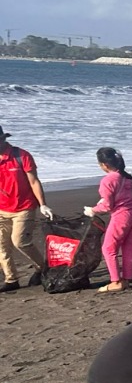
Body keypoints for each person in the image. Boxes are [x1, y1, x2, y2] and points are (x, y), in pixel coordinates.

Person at [0, 123, 53, 292]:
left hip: (24, 207)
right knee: (1, 245)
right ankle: (11, 279)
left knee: (20, 242)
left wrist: (43, 204)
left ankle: (42, 268)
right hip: (2, 208)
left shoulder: (21, 155)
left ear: (3, 139)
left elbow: (34, 181)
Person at [86, 146, 132, 293]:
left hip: (121, 216)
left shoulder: (108, 180)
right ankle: (128, 277)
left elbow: (107, 206)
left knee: (108, 248)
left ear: (104, 165)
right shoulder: (125, 176)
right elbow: (118, 196)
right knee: (128, 245)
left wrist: (93, 210)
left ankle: (116, 281)